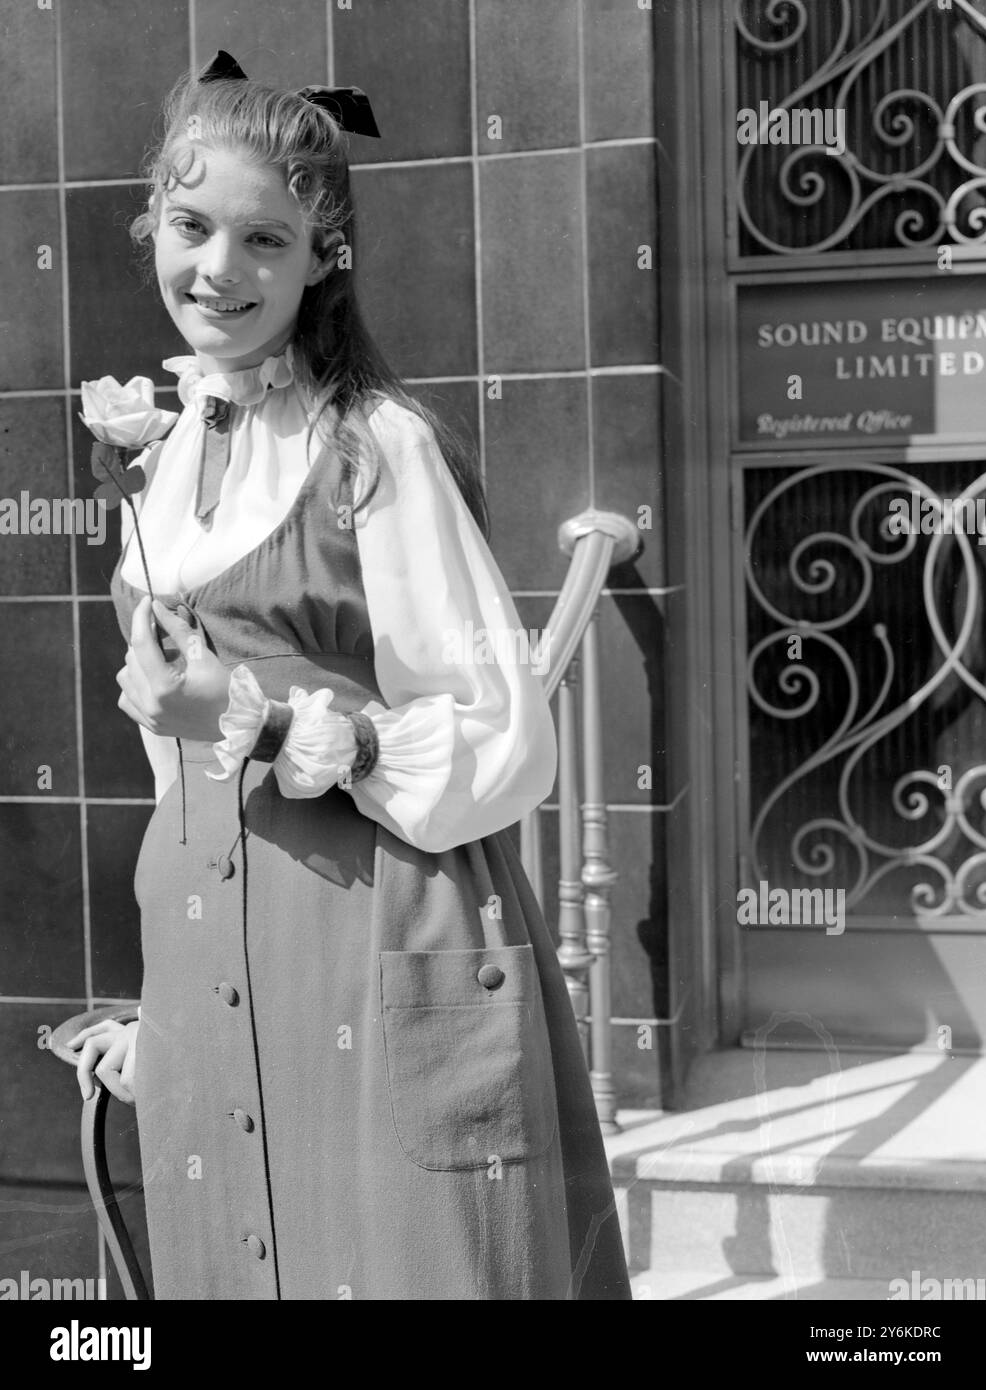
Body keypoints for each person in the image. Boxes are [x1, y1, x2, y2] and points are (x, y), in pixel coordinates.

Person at [69, 51, 631, 1301]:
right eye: (191, 225)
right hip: (218, 947)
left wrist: (252, 719)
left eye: (265, 238)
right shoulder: (160, 462)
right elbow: (175, 749)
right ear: (151, 223)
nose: (218, 269)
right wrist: (165, 1001)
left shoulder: (375, 447)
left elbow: (502, 738)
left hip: (376, 921)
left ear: (322, 256)